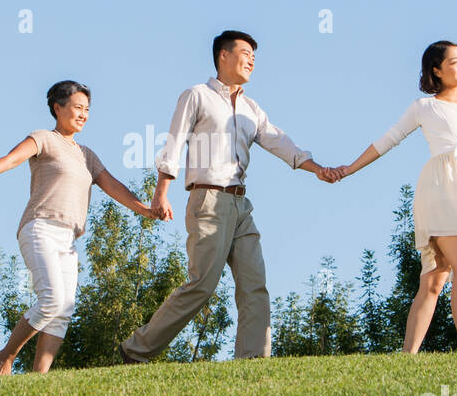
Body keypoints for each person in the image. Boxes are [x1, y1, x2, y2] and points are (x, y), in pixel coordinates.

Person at [117, 30, 341, 364]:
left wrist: (317, 168)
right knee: (202, 286)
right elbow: (174, 143)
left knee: (255, 285)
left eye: (254, 55)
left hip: (241, 205)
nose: (252, 59)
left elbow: (280, 142)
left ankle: (252, 361)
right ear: (223, 55)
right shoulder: (197, 95)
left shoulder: (252, 108)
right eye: (245, 52)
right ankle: (136, 350)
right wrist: (160, 193)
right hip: (208, 201)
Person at [335, 40, 457, 352]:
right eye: (454, 61)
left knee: (434, 279)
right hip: (439, 190)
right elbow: (388, 140)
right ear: (436, 70)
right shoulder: (423, 107)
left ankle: (407, 355)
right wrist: (349, 169)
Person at [0, 81, 157, 373]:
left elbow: (112, 185)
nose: (83, 114)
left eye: (87, 109)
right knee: (51, 300)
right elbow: (12, 159)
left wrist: (145, 209)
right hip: (40, 227)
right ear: (57, 108)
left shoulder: (87, 155)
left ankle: (39, 378)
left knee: (63, 310)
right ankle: (6, 355)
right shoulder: (44, 138)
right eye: (77, 107)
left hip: (68, 239)